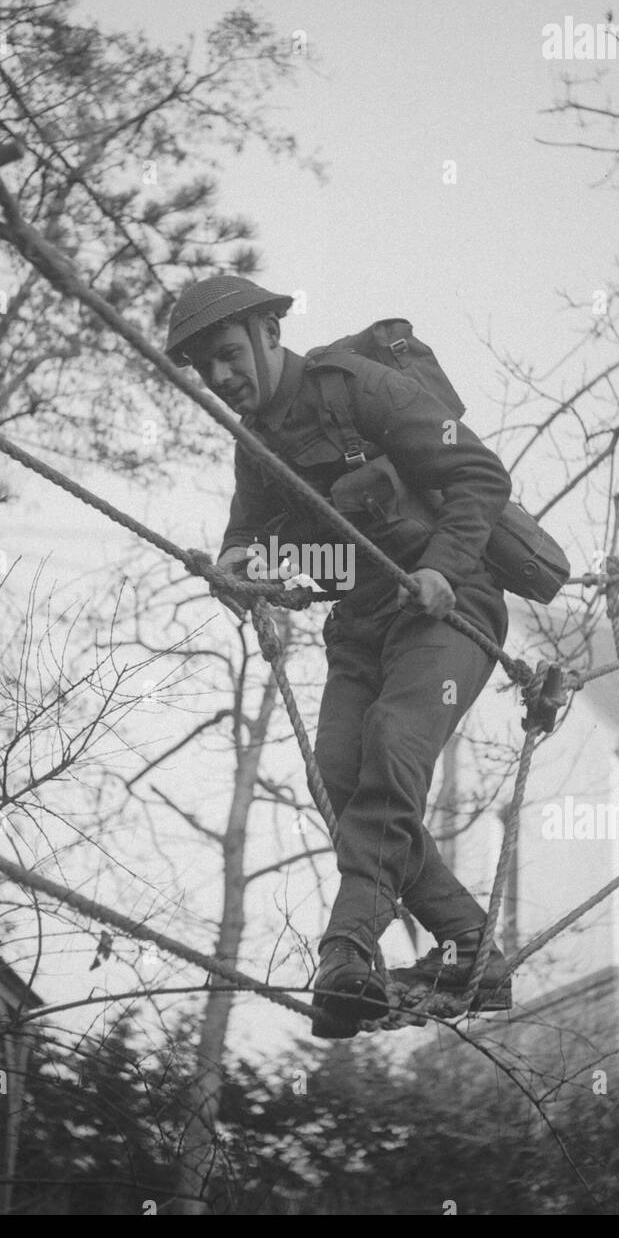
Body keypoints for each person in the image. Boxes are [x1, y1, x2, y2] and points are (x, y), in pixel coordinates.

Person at [166, 275, 514, 1037]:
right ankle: (473, 948)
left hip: (453, 609)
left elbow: (480, 474)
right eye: (204, 369)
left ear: (268, 333)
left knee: (393, 747)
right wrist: (236, 569)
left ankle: (347, 951)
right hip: (359, 624)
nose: (221, 379)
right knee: (342, 778)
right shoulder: (254, 444)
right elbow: (246, 532)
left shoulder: (355, 388)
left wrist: (441, 569)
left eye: (228, 354)